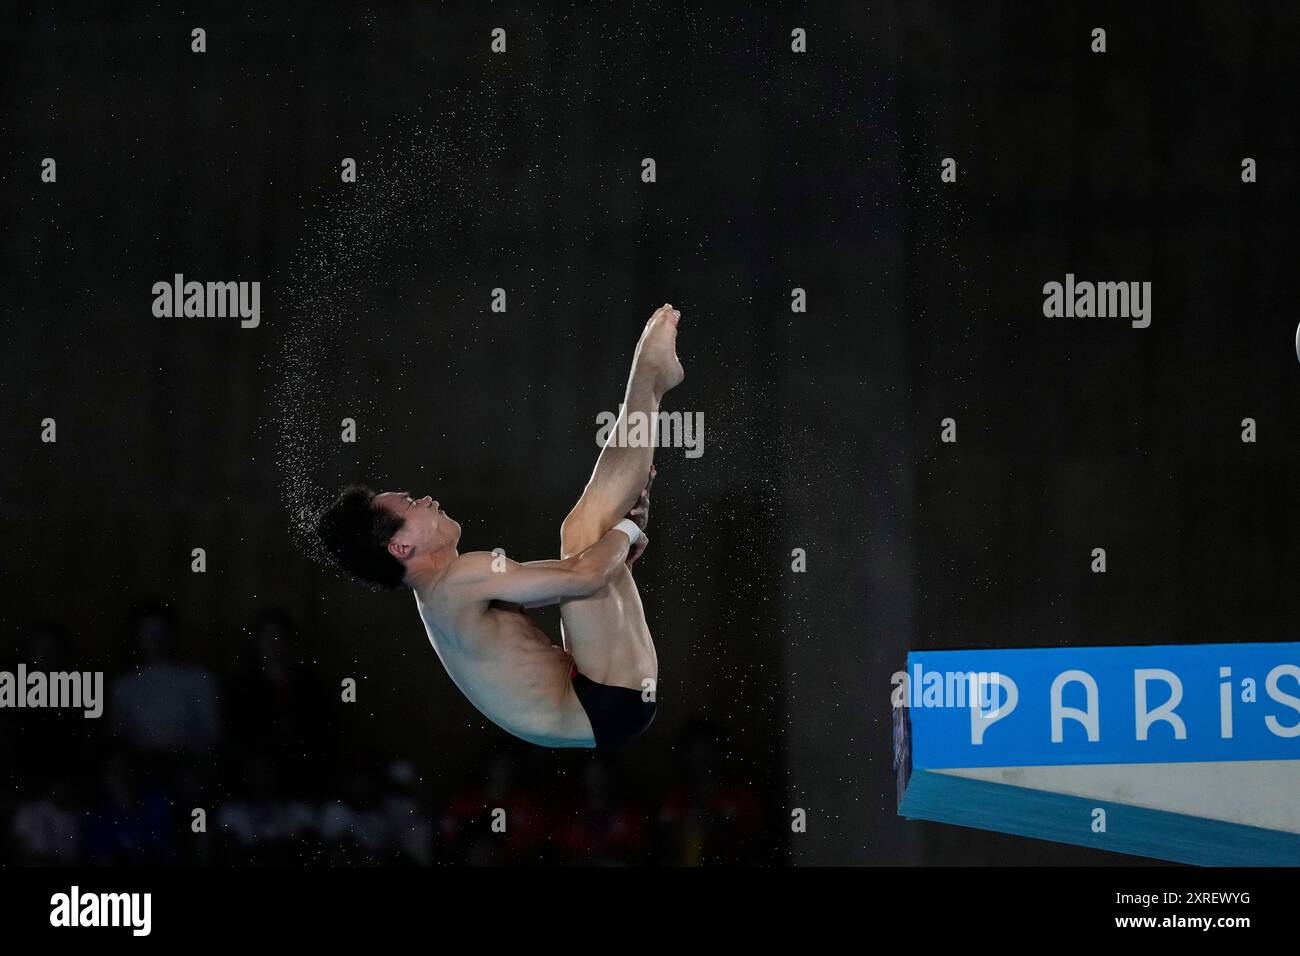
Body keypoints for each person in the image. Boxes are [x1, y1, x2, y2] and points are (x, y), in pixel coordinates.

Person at [316, 304, 685, 749]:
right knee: (584, 532)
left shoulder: (443, 600)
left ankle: (650, 383)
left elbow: (580, 582)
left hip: (598, 700)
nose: (428, 499)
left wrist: (621, 543)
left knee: (587, 539)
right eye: (413, 504)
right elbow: (586, 575)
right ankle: (649, 378)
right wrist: (623, 531)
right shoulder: (458, 580)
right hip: (606, 702)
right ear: (401, 546)